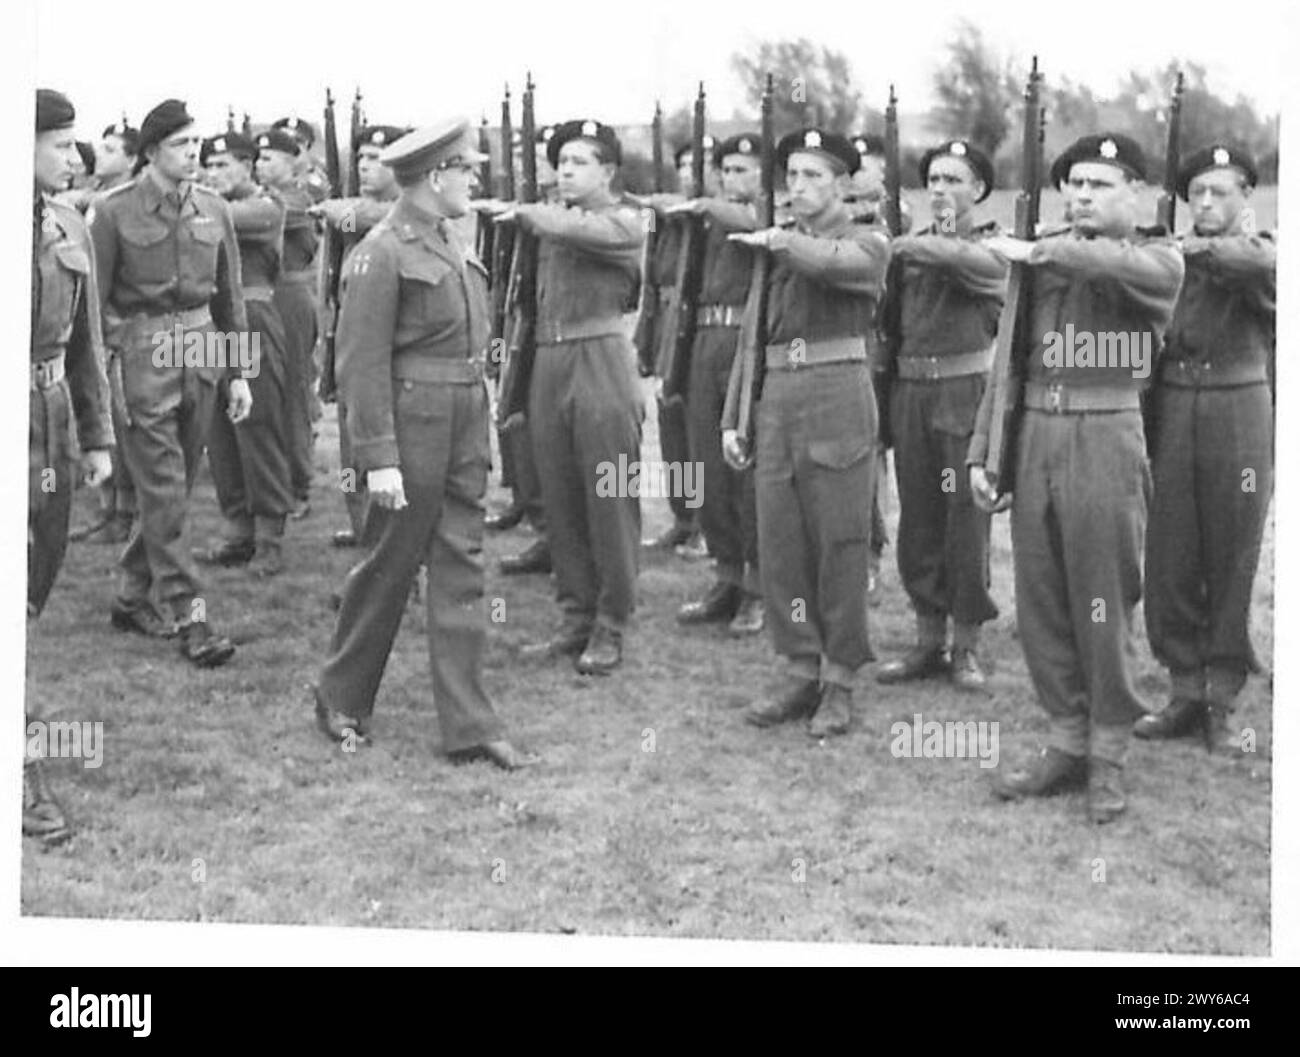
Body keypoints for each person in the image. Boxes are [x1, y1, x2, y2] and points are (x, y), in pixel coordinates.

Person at [969, 133, 1185, 822]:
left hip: (1105, 435)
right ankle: (1065, 736)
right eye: (1075, 185)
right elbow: (1008, 361)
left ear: (1138, 196)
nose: (1083, 196)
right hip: (1037, 430)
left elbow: (1119, 270)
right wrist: (987, 450)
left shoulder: (1155, 257)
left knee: (1102, 595)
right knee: (1043, 598)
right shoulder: (1043, 257)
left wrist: (1037, 248)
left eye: (1099, 184)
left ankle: (1109, 751)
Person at [313, 119, 534, 770]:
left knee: (463, 567)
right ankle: (340, 693)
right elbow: (359, 364)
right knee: (387, 565)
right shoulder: (383, 251)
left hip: (461, 426)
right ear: (436, 176)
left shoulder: (449, 242)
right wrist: (378, 457)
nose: (476, 179)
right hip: (409, 432)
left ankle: (469, 722)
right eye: (468, 169)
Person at [724, 127, 891, 737]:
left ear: (845, 185)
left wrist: (780, 241)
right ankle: (799, 666)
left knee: (839, 544)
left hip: (837, 395)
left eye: (813, 176)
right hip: (779, 399)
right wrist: (737, 415)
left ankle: (840, 676)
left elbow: (838, 265)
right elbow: (753, 336)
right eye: (791, 176)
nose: (798, 187)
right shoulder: (780, 246)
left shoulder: (867, 241)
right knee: (784, 546)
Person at [90, 98, 253, 666]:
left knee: (173, 492)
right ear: (153, 151)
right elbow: (96, 304)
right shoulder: (113, 213)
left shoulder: (214, 209)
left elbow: (230, 297)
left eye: (197, 142)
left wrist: (238, 374)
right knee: (163, 492)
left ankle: (131, 595)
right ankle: (191, 616)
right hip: (145, 357)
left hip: (203, 350)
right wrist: (113, 365)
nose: (196, 153)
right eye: (183, 144)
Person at [481, 119, 645, 674]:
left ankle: (612, 620)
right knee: (560, 497)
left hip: (600, 357)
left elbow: (595, 234)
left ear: (608, 171)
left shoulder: (624, 219)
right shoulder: (552, 224)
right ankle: (575, 614)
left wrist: (528, 213)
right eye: (562, 162)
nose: (566, 171)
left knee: (609, 495)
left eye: (580, 162)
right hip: (548, 359)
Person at [1136, 143, 1274, 753]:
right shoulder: (1170, 257)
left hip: (1236, 409)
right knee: (1172, 552)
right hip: (1174, 407)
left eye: (1222, 192)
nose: (1207, 203)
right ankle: (1184, 688)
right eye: (1198, 194)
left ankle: (1222, 695)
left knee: (1231, 550)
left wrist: (1185, 246)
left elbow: (1255, 265)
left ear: (1247, 198)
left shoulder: (1261, 253)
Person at [876, 140, 1006, 691]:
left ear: (977, 190)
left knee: (964, 521)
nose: (940, 190)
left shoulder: (992, 247)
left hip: (963, 391)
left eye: (954, 180)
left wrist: (897, 242)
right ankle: (928, 637)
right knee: (920, 517)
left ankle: (967, 643)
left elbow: (967, 263)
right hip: (913, 391)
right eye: (932, 180)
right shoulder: (910, 248)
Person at [26, 88, 115, 845]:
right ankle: (23, 771)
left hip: (48, 422)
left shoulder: (68, 223)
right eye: (57, 143)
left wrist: (96, 436)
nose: (73, 157)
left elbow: (84, 341)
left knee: (31, 590)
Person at [667, 132, 765, 636]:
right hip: (705, 339)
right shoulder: (708, 219)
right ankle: (726, 574)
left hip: (745, 345)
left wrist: (702, 204)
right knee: (706, 463)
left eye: (744, 170)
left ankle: (757, 585)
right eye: (726, 170)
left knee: (744, 469)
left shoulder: (769, 216)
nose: (733, 180)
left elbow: (752, 223)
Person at [195, 131, 295, 577]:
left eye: (223, 166)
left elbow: (218, 219)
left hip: (250, 318)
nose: (213, 175)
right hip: (208, 320)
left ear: (248, 166)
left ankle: (270, 536)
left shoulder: (266, 208)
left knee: (257, 427)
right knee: (216, 429)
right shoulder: (206, 206)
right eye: (209, 167)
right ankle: (238, 529)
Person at [310, 123, 405, 549]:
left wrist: (332, 208)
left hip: (385, 359)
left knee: (379, 457)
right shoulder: (356, 206)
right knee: (351, 460)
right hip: (348, 347)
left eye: (376, 159)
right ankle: (363, 528)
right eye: (361, 158)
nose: (365, 166)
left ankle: (389, 557)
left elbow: (354, 215)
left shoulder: (400, 211)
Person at [638, 138, 716, 557]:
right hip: (668, 319)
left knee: (698, 429)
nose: (689, 172)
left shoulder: (713, 217)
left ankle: (708, 522)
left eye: (698, 164)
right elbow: (651, 271)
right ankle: (684, 517)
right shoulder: (663, 217)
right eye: (684, 164)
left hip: (699, 323)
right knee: (672, 428)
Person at [70, 120, 142, 544]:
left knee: (124, 424)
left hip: (123, 325)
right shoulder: (97, 199)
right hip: (100, 321)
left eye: (113, 148)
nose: (101, 153)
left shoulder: (127, 203)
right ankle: (107, 507)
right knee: (101, 417)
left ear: (133, 159)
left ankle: (125, 512)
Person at [256, 128, 318, 519]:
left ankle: (299, 483)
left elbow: (279, 216)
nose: (261, 166)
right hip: (259, 299)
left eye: (269, 159)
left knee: (293, 391)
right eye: (258, 159)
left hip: (289, 299)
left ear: (292, 161)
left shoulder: (301, 197)